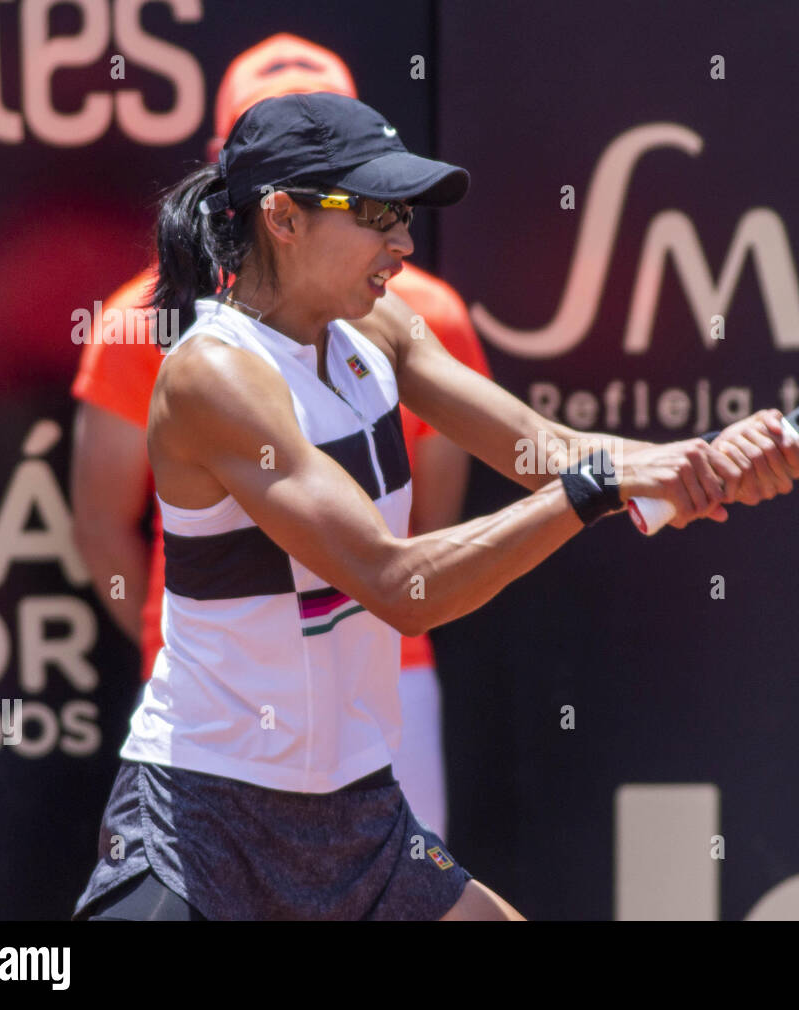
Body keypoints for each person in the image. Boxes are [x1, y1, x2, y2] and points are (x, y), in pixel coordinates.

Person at [73, 91, 799, 921]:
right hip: (205, 820)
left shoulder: (384, 327)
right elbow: (398, 586)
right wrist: (599, 491)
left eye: (406, 215)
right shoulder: (216, 375)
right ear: (281, 216)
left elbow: (546, 452)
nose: (404, 241)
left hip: (358, 812)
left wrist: (700, 459)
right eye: (379, 211)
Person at [69, 34, 486, 839]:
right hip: (213, 711)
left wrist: (622, 477)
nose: (395, 240)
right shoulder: (141, 326)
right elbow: (99, 523)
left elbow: (423, 533)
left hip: (385, 680)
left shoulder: (418, 316)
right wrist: (201, 641)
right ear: (251, 186)